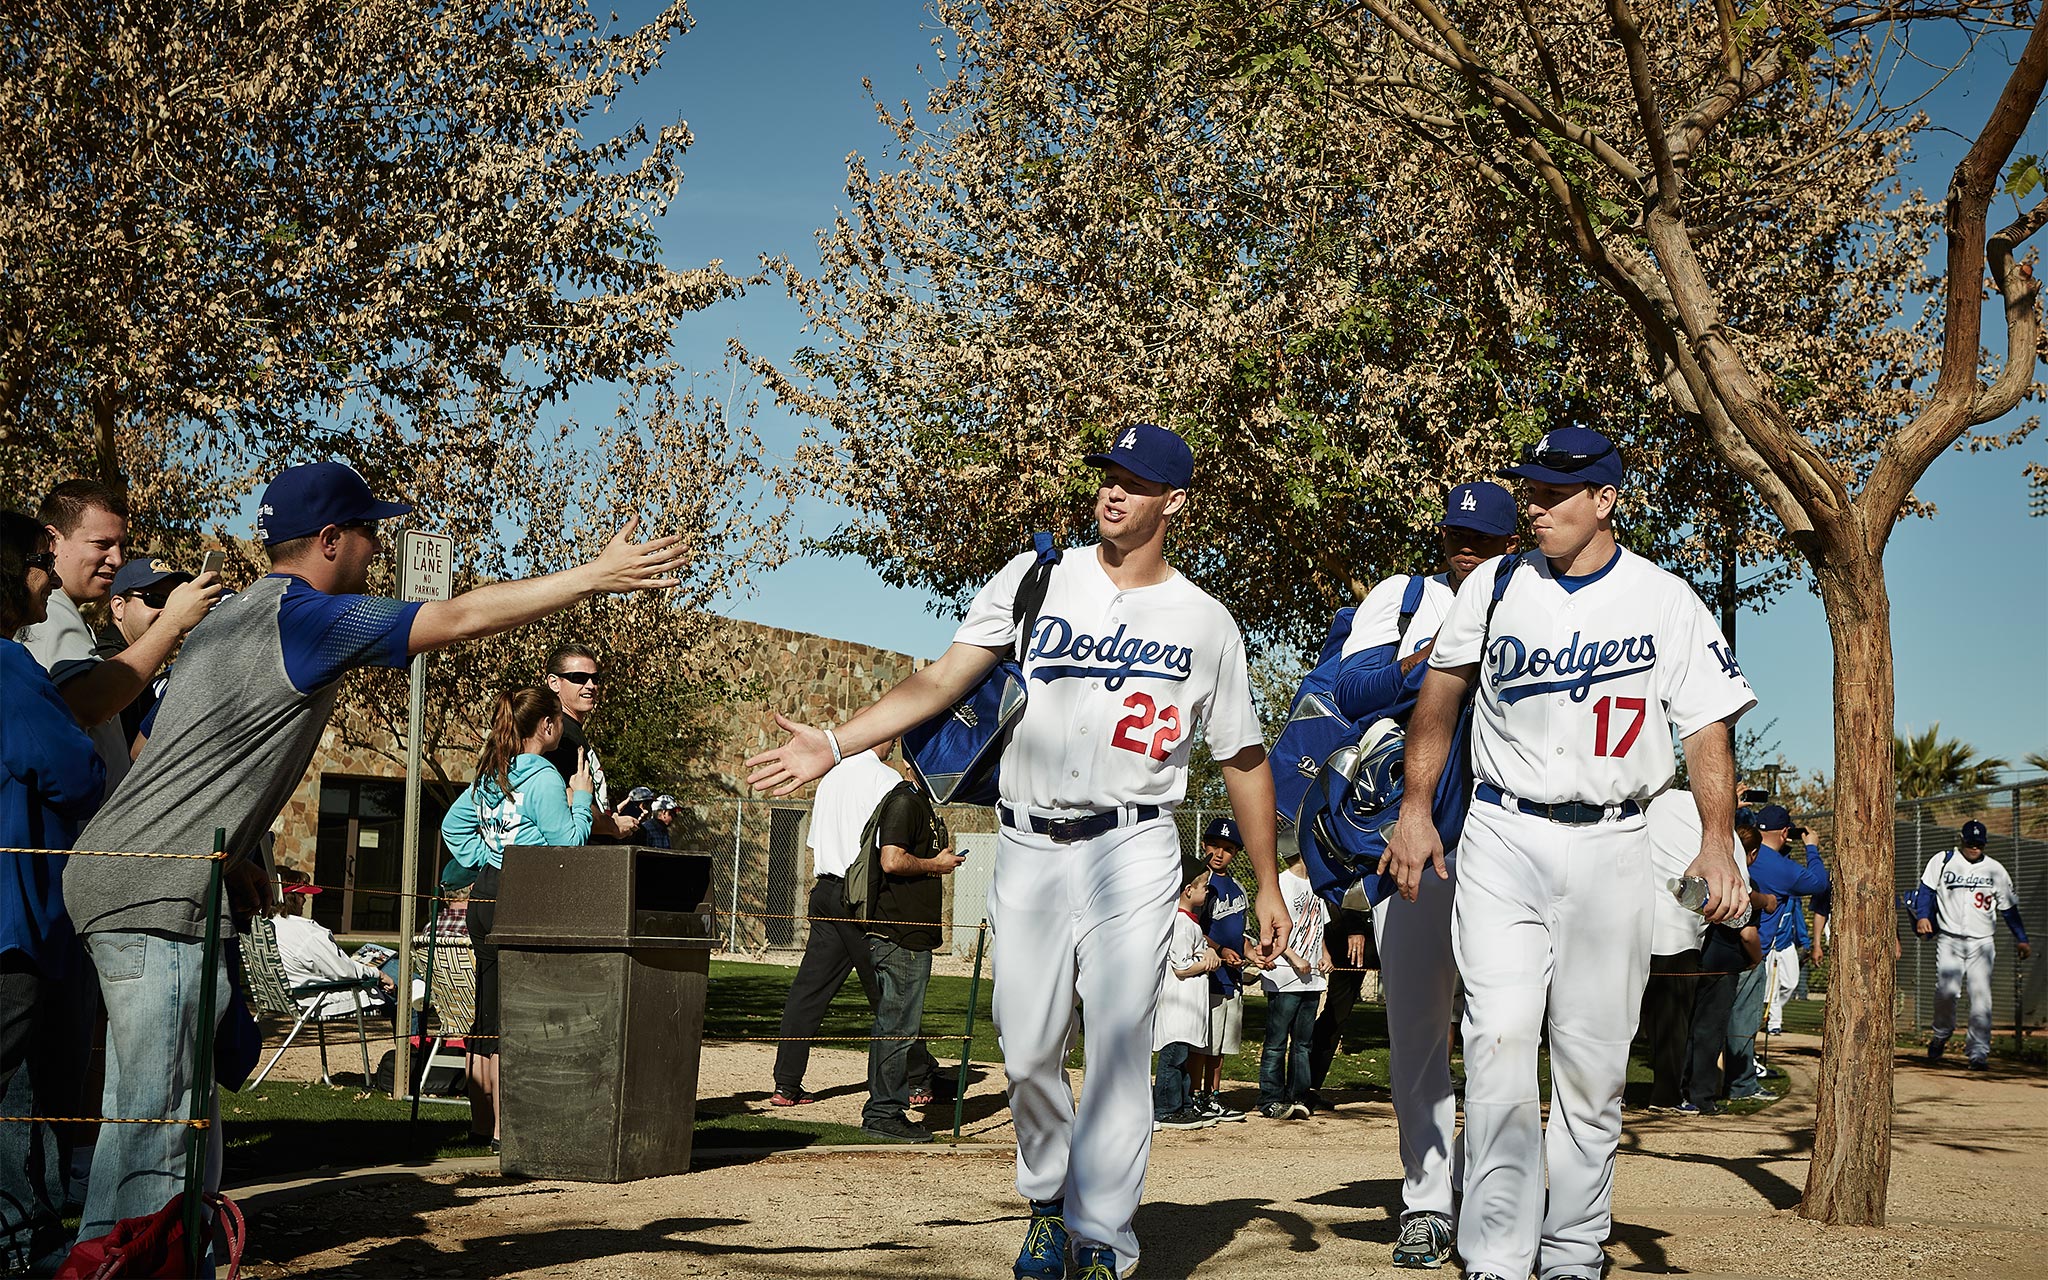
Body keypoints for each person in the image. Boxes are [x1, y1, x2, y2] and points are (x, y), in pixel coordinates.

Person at [64, 461, 686, 1251]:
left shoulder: (235, 615)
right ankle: (133, 1266)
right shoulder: (310, 616)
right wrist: (590, 578)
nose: (374, 550)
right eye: (367, 534)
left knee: (142, 1122)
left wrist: (234, 860)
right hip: (152, 891)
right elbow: (456, 618)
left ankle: (111, 1261)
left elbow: (164, 753)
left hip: (132, 873)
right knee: (157, 1132)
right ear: (330, 540)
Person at [746, 423, 1287, 1280]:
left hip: (1135, 842)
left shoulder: (1205, 621)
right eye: (1109, 474)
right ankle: (1046, 1201)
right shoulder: (1039, 574)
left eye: (1136, 481)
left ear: (1173, 502)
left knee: (1117, 1042)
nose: (1114, 491)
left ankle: (1102, 1234)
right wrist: (835, 742)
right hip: (1029, 842)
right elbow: (940, 680)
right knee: (1028, 1044)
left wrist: (1267, 881)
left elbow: (1243, 757)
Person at [1384, 427, 1754, 1280]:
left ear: (1607, 500)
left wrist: (1715, 840)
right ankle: (1497, 1253)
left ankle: (1575, 1247)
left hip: (1615, 840)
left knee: (1592, 1061)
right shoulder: (1496, 587)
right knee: (1500, 1039)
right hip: (1504, 834)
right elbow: (1437, 702)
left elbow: (1705, 727)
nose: (1536, 505)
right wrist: (1415, 808)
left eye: (1556, 492)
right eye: (1531, 490)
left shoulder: (1665, 599)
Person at [1329, 479, 1517, 1269]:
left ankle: (1495, 1192)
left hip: (1512, 835)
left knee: (1504, 1027)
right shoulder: (1404, 598)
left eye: (1482, 538)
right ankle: (1427, 1200)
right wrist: (1441, 657)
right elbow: (1351, 689)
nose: (1464, 548)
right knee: (1414, 1029)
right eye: (1454, 536)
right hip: (1411, 838)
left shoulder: (1539, 603)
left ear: (1516, 542)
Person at [0, 511, 106, 1273]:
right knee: (14, 1087)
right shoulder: (12, 669)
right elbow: (77, 772)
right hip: (13, 922)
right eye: (40, 562)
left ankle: (29, 1235)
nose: (49, 575)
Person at [440, 686, 595, 1149]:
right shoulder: (545, 776)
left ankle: (482, 1125)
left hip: (487, 894)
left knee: (487, 1011)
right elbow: (569, 845)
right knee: (514, 1015)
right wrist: (582, 798)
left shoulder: (494, 771)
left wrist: (489, 856)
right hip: (522, 896)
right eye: (559, 722)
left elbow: (453, 826)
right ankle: (511, 1131)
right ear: (547, 726)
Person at [769, 742, 949, 1108]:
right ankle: (917, 1080)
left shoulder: (829, 777)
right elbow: (888, 848)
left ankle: (786, 1084)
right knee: (889, 991)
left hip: (824, 890)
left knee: (809, 990)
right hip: (859, 897)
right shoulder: (886, 780)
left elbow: (814, 841)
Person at [16, 482, 219, 797]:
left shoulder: (63, 610)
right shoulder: (49, 610)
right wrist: (174, 622)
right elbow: (90, 702)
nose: (117, 559)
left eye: (121, 546)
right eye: (102, 544)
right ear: (53, 540)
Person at [859, 772, 963, 1143]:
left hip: (913, 935)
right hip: (897, 935)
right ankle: (883, 1112)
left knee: (900, 1024)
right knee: (896, 1026)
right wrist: (937, 865)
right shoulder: (904, 801)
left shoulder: (921, 802)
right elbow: (891, 860)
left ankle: (886, 1108)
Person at [1639, 790, 1750, 1113]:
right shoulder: (1723, 833)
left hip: (1636, 928)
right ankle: (1666, 1097)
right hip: (1680, 938)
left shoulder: (1660, 803)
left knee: (1629, 1022)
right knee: (1675, 1026)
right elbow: (1736, 902)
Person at [1916, 819, 2031, 1070]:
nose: (1975, 847)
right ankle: (1942, 1033)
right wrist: (1923, 915)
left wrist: (2021, 938)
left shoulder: (1995, 869)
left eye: (1979, 844)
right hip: (1949, 937)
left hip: (1982, 942)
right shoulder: (1943, 860)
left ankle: (1978, 1052)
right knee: (1946, 992)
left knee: (1981, 997)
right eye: (1971, 842)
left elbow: (2009, 909)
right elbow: (1925, 890)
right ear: (1961, 838)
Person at [92, 556, 196, 756]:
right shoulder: (106, 663)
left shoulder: (139, 662)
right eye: (155, 599)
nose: (168, 611)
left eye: (173, 601)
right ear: (118, 606)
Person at [1745, 806, 1828, 1051]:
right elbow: (1819, 884)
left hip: (1722, 943)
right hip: (1754, 948)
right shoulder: (1782, 867)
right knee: (1744, 1019)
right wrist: (1811, 848)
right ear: (1784, 832)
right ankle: (1744, 1075)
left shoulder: (1741, 851)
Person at [540, 645, 638, 842]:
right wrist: (613, 826)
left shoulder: (572, 731)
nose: (591, 685)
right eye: (579, 678)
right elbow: (567, 801)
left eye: (595, 678)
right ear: (554, 682)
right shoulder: (561, 735)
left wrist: (608, 816)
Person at [1257, 855, 1330, 1120]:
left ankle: (1298, 1095)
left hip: (1312, 979)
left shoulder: (1318, 885)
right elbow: (1274, 932)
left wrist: (1325, 955)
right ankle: (1270, 1098)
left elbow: (1319, 927)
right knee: (1277, 1042)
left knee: (1303, 1044)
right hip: (1285, 977)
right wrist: (1294, 958)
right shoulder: (1281, 884)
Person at [1153, 864, 1220, 1132]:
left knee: (1183, 1057)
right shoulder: (1181, 923)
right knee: (1173, 1058)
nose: (1207, 891)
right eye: (1204, 886)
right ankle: (1165, 1109)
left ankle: (1181, 1105)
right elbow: (1181, 968)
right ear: (1188, 890)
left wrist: (1208, 956)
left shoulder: (1191, 922)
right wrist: (1206, 962)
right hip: (1177, 1006)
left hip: (1190, 1008)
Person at [1720, 812, 1781, 1103]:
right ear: (1753, 853)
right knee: (1743, 1024)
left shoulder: (1718, 874)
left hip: (1713, 959)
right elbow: (1748, 933)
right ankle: (1742, 1084)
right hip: (1743, 959)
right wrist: (1757, 960)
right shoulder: (1748, 882)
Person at [1191, 817, 1248, 1123]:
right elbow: (1192, 927)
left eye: (1227, 848)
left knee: (1221, 1044)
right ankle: (1194, 1095)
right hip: (1207, 974)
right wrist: (1219, 949)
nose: (1219, 852)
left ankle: (1213, 1096)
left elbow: (1242, 935)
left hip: (1232, 978)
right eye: (1214, 845)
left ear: (1235, 852)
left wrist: (1254, 952)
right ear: (1204, 844)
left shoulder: (1238, 889)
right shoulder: (1200, 883)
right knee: (1203, 1042)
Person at [1305, 890, 1370, 1111]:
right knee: (1335, 1015)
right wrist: (1355, 928)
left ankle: (1423, 1087)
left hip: (1394, 934)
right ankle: (1307, 1086)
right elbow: (1350, 888)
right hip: (1350, 940)